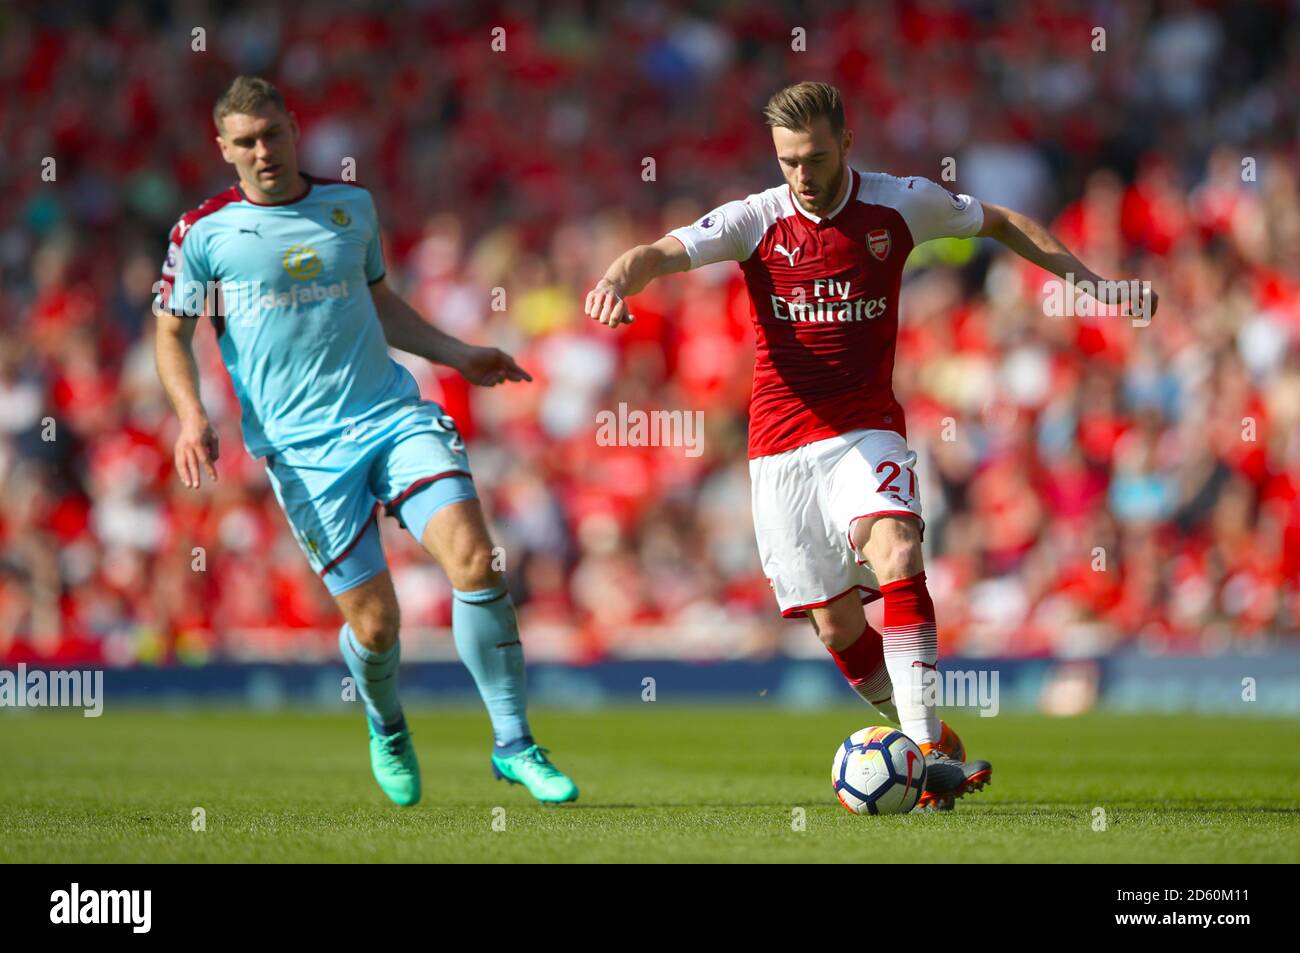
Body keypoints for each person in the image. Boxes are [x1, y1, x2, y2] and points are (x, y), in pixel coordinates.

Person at [585, 81, 1156, 810]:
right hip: (780, 451)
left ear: (847, 144)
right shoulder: (756, 219)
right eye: (789, 159)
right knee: (836, 624)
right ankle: (930, 735)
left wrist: (1095, 285)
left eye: (816, 156)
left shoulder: (899, 202)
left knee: (898, 550)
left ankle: (919, 757)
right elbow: (657, 254)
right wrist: (613, 278)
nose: (802, 174)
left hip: (865, 428)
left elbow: (1003, 223)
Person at [153, 76, 578, 807]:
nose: (263, 151)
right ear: (224, 150)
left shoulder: (351, 208)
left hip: (390, 417)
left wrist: (456, 353)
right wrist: (191, 413)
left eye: (273, 134)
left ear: (294, 128)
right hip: (304, 454)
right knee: (377, 627)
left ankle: (514, 742)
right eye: (246, 142)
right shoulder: (204, 234)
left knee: (475, 558)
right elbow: (170, 330)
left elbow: (378, 302)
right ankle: (386, 724)